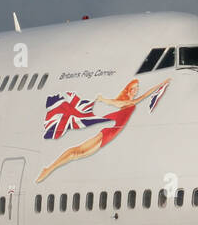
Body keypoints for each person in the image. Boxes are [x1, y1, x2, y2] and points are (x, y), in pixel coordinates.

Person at [36, 78, 170, 182]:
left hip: (112, 134)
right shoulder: (124, 102)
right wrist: (102, 99)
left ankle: (49, 169)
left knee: (79, 153)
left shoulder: (130, 102)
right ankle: (48, 169)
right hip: (109, 131)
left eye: (137, 88)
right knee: (77, 152)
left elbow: (145, 95)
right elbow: (113, 102)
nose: (136, 91)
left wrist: (162, 83)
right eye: (134, 89)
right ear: (128, 90)